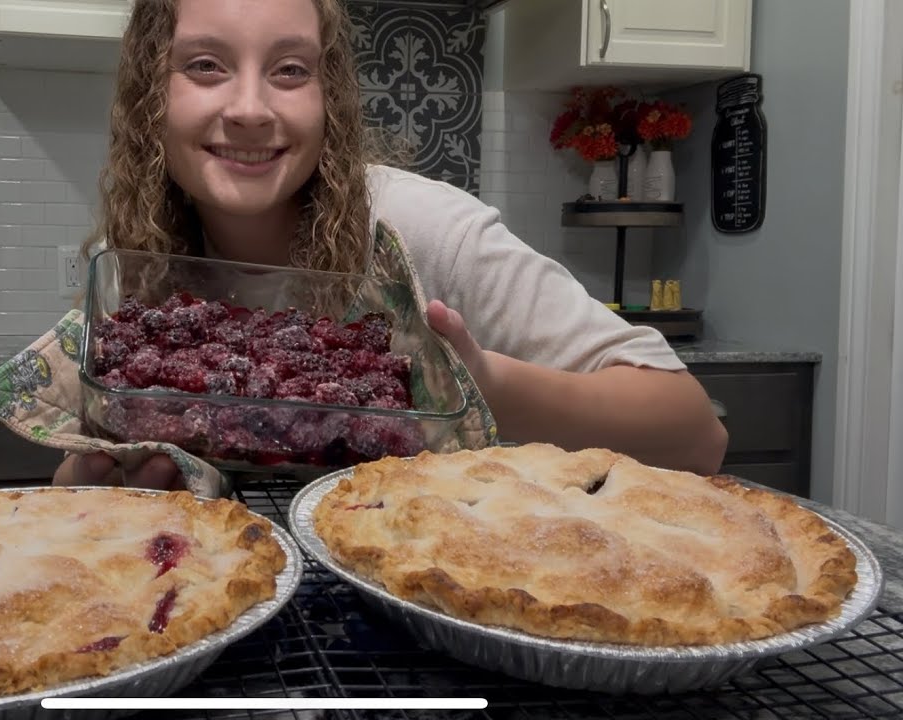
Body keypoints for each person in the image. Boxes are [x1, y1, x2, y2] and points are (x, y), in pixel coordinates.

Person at [53, 0, 727, 489]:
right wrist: (94, 474)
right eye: (205, 65)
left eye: (290, 70)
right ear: (149, 96)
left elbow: (697, 434)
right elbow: (101, 467)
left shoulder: (424, 231)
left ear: (331, 99)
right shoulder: (136, 259)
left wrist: (482, 385)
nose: (252, 108)